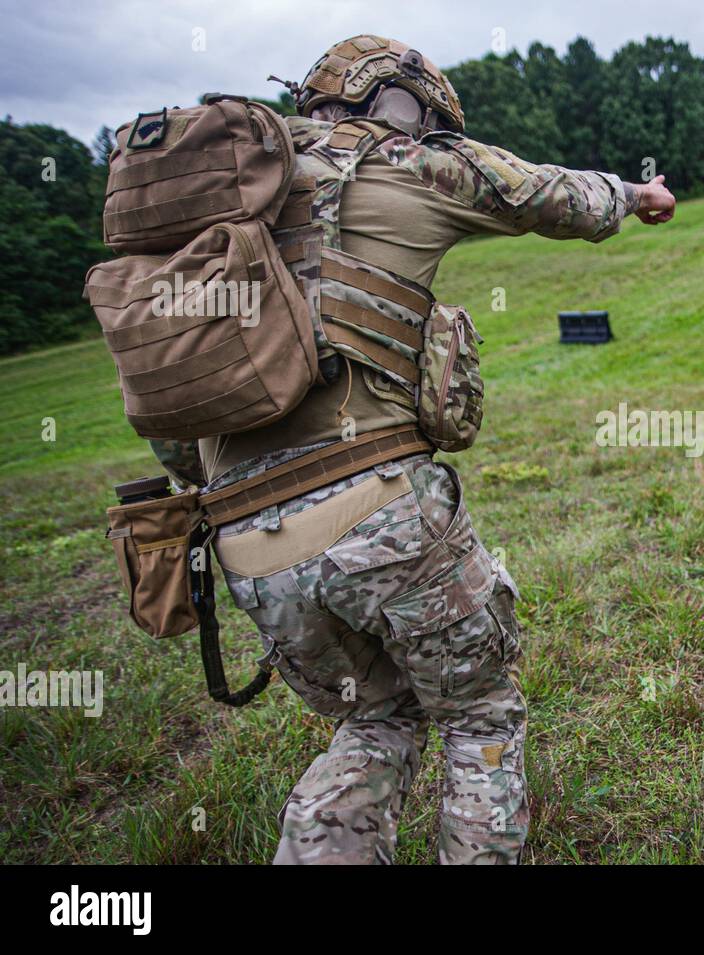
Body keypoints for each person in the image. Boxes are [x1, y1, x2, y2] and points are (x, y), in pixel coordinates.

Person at [152, 34, 676, 864]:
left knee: (379, 713)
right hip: (381, 517)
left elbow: (166, 407)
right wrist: (636, 193)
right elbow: (550, 195)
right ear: (405, 106)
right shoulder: (407, 165)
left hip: (248, 549)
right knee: (479, 714)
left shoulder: (212, 209)